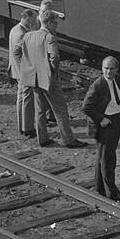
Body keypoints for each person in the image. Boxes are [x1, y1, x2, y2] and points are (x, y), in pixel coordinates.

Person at [22, 11, 82, 148]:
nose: (56, 26)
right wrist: (53, 71)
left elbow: (23, 54)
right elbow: (54, 57)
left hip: (34, 78)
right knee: (60, 110)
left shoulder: (28, 36)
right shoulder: (49, 38)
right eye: (55, 23)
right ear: (48, 23)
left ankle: (42, 139)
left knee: (40, 110)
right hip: (48, 79)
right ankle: (69, 140)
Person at [82, 56, 120, 201]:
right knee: (108, 158)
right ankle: (112, 193)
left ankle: (100, 187)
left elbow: (117, 97)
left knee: (102, 157)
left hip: (115, 119)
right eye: (105, 69)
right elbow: (86, 107)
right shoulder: (97, 85)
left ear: (116, 70)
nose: (108, 72)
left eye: (112, 69)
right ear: (102, 69)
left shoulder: (119, 82)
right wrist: (101, 119)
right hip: (104, 123)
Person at [7, 9, 39, 139]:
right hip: (23, 72)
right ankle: (28, 128)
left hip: (16, 69)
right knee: (27, 99)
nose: (35, 22)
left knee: (21, 98)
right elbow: (18, 53)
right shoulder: (22, 34)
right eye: (33, 19)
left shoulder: (14, 29)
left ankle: (22, 126)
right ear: (27, 18)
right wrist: (26, 70)